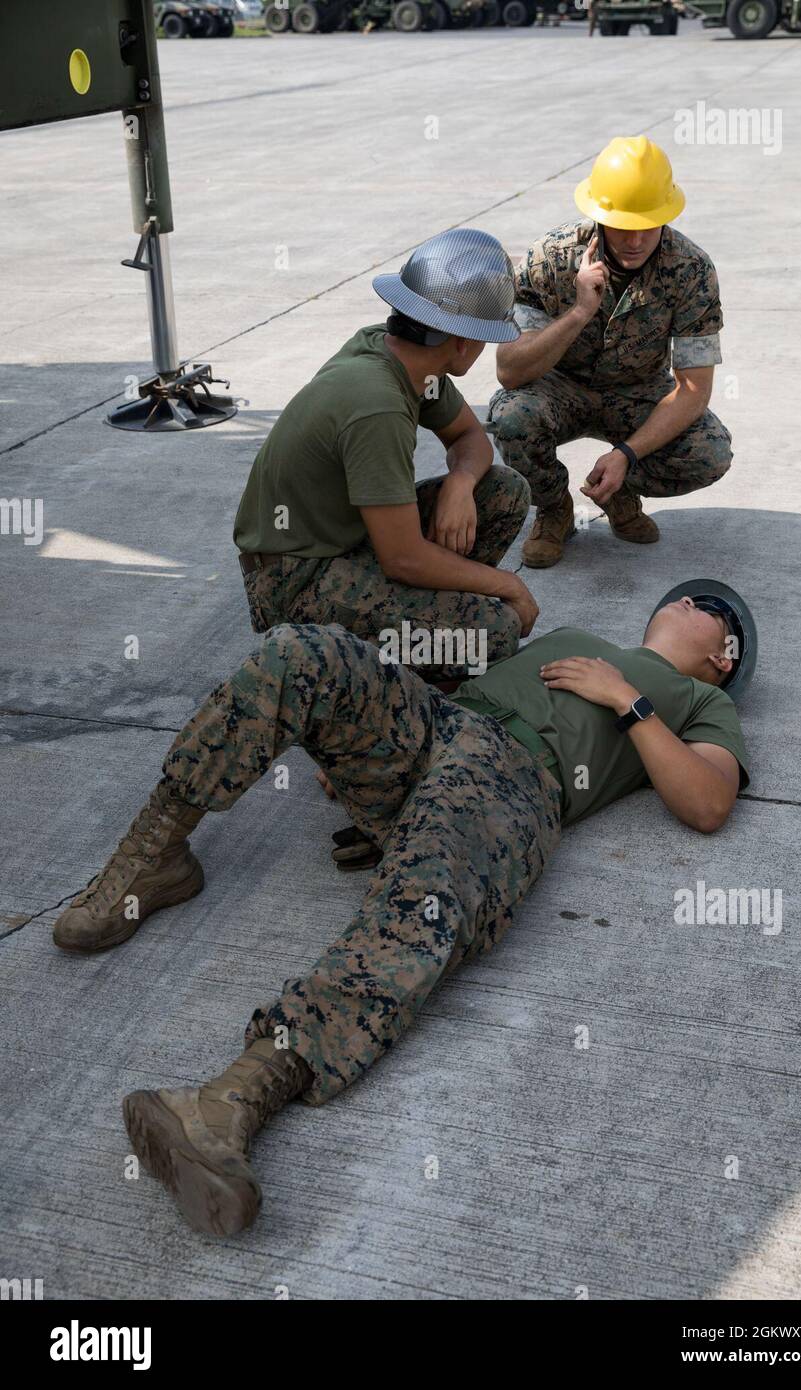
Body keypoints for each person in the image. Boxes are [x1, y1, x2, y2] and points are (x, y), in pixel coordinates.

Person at [52, 581, 755, 1237]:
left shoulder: (701, 703)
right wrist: (358, 730)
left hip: (514, 778)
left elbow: (707, 802)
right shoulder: (576, 638)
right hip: (434, 726)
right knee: (304, 652)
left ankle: (230, 1100)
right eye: (686, 595)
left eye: (708, 608)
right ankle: (153, 859)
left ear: (722, 658)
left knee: (426, 901)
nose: (687, 599)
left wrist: (626, 699)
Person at [233, 228, 539, 681]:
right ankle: (372, 668)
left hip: (347, 542)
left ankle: (426, 626)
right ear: (462, 341)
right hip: (294, 578)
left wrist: (460, 484)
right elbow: (403, 558)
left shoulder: (406, 357)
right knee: (490, 632)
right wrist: (507, 585)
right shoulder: (378, 404)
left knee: (504, 491)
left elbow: (470, 438)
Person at [489, 136, 733, 567]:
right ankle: (554, 508)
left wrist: (627, 455)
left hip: (638, 390)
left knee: (708, 452)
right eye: (622, 225)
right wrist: (580, 312)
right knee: (510, 417)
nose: (636, 240)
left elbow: (694, 389)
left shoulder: (691, 270)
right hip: (558, 387)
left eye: (648, 224)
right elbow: (510, 371)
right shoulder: (551, 258)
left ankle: (618, 490)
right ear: (599, 217)